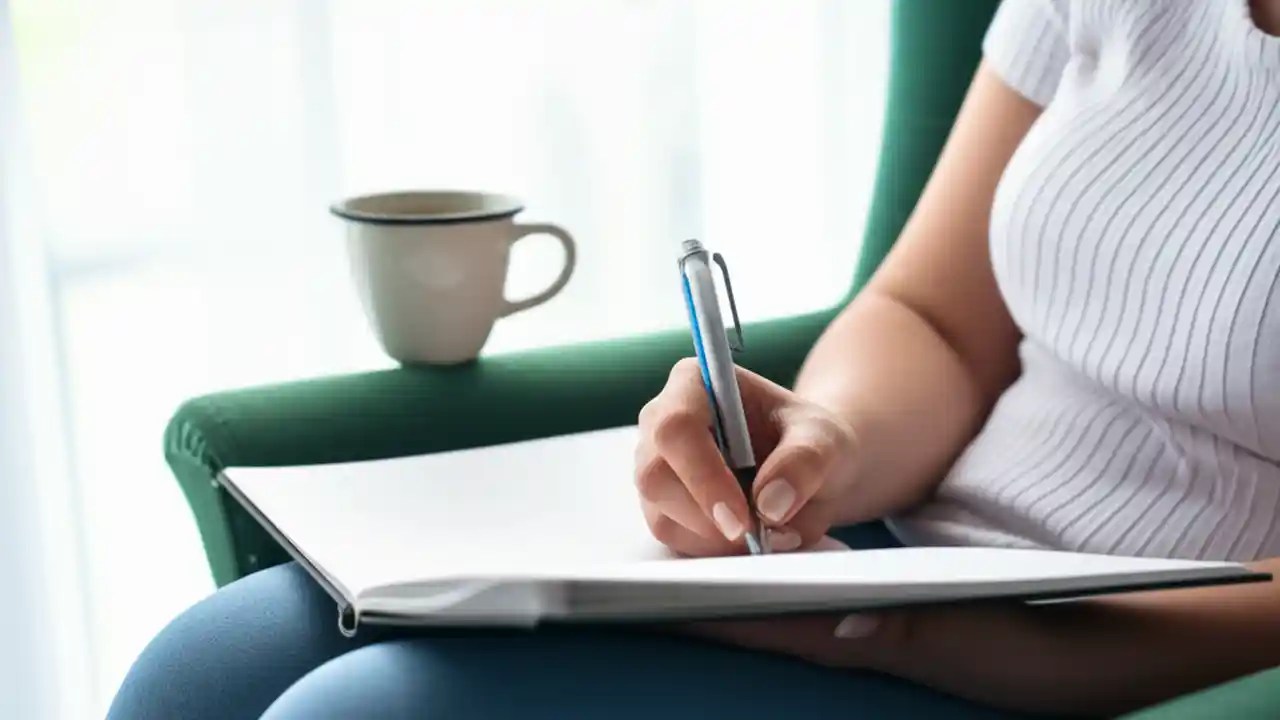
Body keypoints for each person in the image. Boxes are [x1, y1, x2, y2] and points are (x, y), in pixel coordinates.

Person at [109, 1, 1280, 717]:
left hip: (1109, 666)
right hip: (885, 563)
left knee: (358, 717)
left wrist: (955, 643)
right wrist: (822, 444)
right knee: (200, 674)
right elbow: (933, 316)